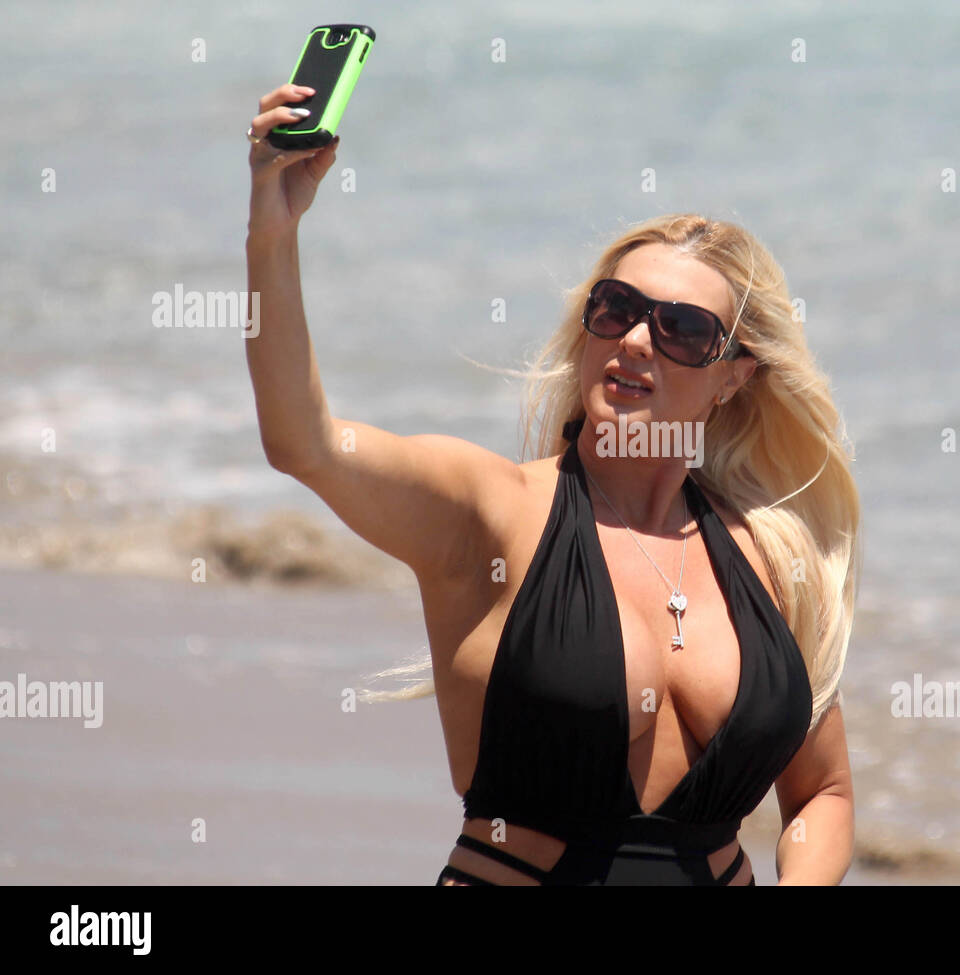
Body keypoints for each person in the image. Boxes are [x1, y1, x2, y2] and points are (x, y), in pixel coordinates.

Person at [244, 83, 860, 885]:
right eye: (616, 309)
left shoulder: (770, 560)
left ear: (732, 377)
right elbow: (307, 442)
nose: (638, 338)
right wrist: (272, 233)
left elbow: (823, 791)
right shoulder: (495, 511)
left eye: (682, 329)